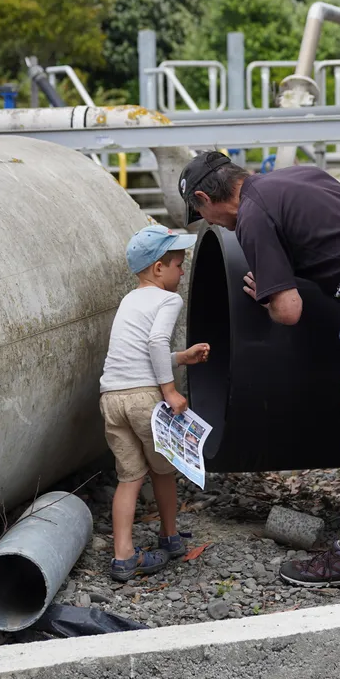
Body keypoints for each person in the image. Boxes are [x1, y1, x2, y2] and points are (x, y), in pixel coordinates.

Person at [180, 152, 340, 591]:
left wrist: (267, 294)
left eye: (201, 214)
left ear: (206, 197)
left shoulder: (251, 215)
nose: (208, 223)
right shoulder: (295, 177)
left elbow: (289, 311)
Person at [100, 224, 210, 582]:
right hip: (144, 398)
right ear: (158, 268)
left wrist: (182, 358)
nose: (182, 271)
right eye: (179, 264)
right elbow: (155, 343)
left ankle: (123, 556)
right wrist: (170, 391)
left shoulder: (130, 300)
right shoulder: (168, 299)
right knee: (164, 469)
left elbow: (141, 352)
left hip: (112, 397)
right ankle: (170, 535)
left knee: (129, 477)